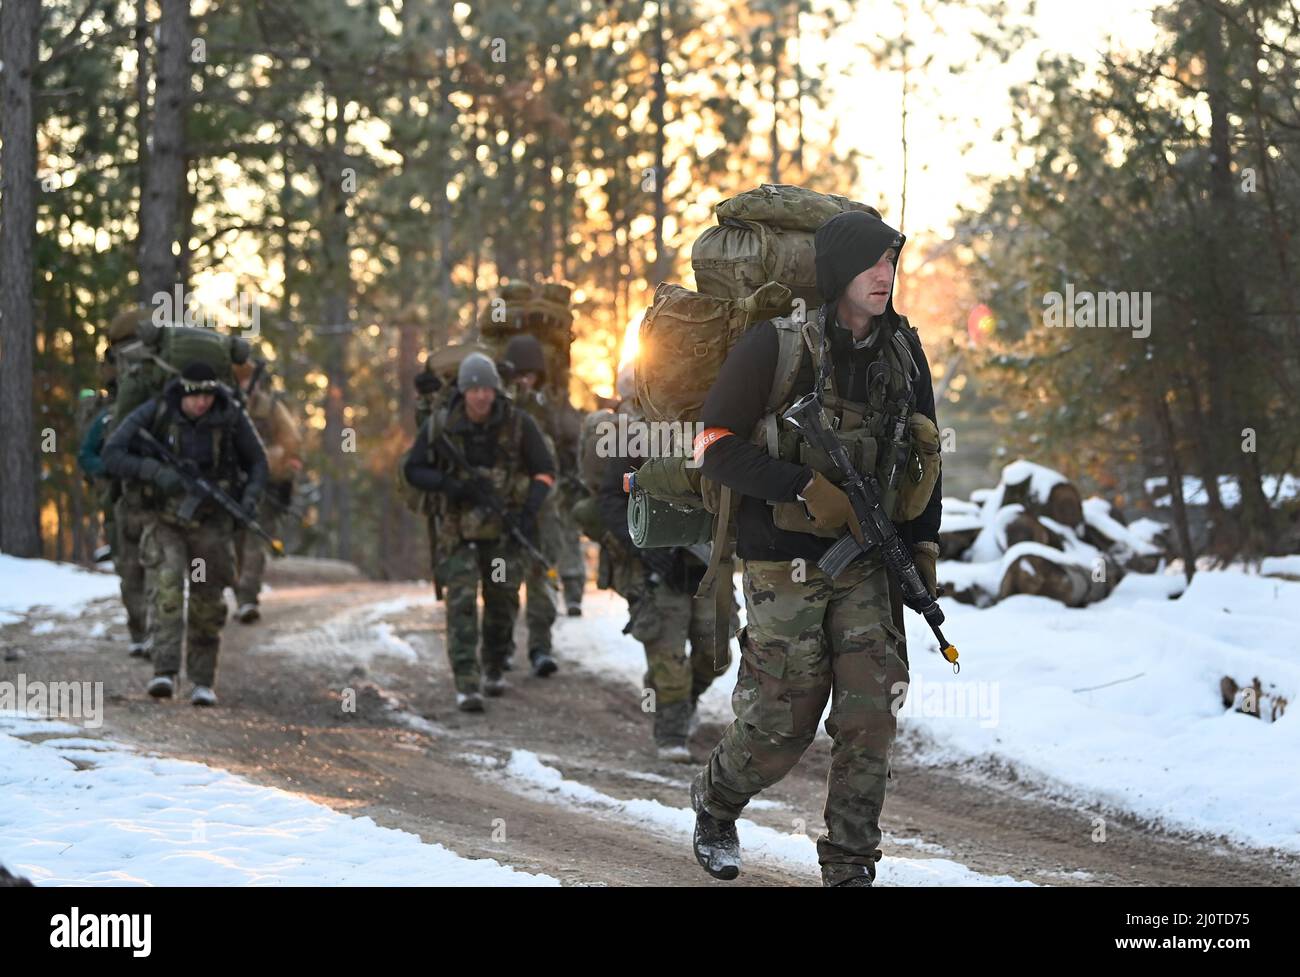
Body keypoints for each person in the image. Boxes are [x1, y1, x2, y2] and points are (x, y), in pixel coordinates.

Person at [688, 210, 942, 887]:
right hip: (782, 559)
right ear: (838, 274)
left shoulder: (903, 353)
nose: (884, 274)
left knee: (871, 713)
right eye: (870, 263)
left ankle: (850, 864)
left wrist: (923, 549)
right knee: (781, 725)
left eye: (891, 260)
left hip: (864, 561)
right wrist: (802, 484)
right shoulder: (777, 347)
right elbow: (712, 446)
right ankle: (715, 803)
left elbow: (925, 456)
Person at [588, 365, 735, 761]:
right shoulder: (632, 435)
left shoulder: (713, 423)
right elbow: (609, 501)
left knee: (715, 653)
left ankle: (683, 703)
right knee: (668, 656)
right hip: (657, 566)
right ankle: (670, 733)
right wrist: (642, 545)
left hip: (706, 560)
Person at [102, 362, 268, 706]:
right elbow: (113, 453)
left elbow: (258, 462)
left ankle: (202, 681)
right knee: (166, 590)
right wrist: (154, 472)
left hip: (210, 527)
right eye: (195, 397)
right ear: (182, 392)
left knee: (207, 600)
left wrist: (249, 498)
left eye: (207, 395)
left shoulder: (230, 415)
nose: (202, 403)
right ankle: (163, 671)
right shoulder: (157, 411)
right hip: (165, 521)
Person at [402, 353, 557, 712]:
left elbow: (545, 470)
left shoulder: (518, 424)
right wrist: (451, 486)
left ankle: (493, 665)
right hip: (458, 531)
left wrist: (527, 511)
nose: (481, 397)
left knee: (502, 600)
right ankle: (467, 681)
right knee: (461, 603)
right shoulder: (441, 426)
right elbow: (414, 469)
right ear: (463, 391)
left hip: (503, 530)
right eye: (474, 389)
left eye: (487, 389)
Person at [231, 357, 303, 623]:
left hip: (264, 486)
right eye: (238, 379)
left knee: (254, 544)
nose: (243, 384)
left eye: (247, 379)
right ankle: (237, 590)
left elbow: (292, 441)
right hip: (230, 487)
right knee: (233, 545)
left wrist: (275, 464)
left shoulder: (271, 408)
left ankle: (247, 598)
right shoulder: (223, 405)